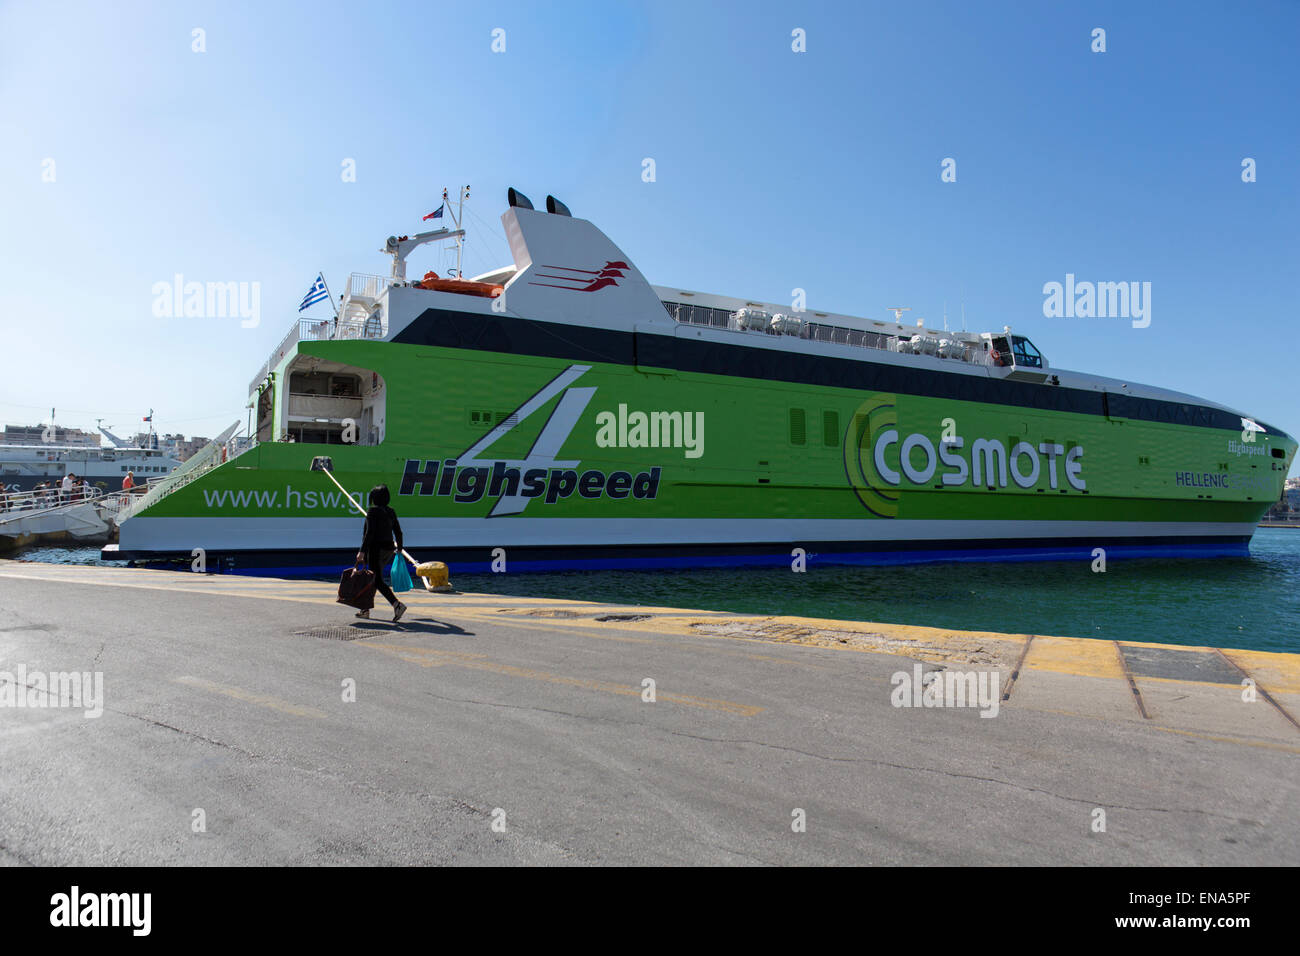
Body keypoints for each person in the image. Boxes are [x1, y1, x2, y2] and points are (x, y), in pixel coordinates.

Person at [354, 484, 407, 622]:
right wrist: (399, 549)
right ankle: (364, 609)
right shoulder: (391, 511)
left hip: (376, 550)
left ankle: (397, 605)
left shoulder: (372, 512)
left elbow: (369, 534)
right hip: (389, 550)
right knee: (373, 579)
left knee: (375, 580)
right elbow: (398, 532)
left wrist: (362, 551)